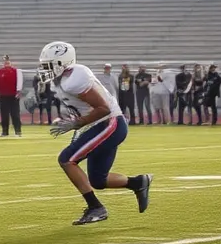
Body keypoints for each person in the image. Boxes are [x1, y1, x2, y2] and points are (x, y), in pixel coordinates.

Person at [39, 41, 151, 226]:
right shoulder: (62, 80)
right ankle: (138, 182)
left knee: (67, 159)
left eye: (49, 64)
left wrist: (76, 124)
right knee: (98, 180)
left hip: (109, 123)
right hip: (97, 125)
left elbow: (103, 108)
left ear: (63, 63)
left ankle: (96, 208)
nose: (45, 68)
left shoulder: (76, 78)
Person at [0, 54, 22, 137]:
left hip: (13, 96)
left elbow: (19, 81)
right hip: (3, 95)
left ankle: (18, 131)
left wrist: (18, 91)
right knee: (4, 115)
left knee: (15, 114)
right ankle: (5, 131)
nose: (6, 63)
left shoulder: (16, 71)